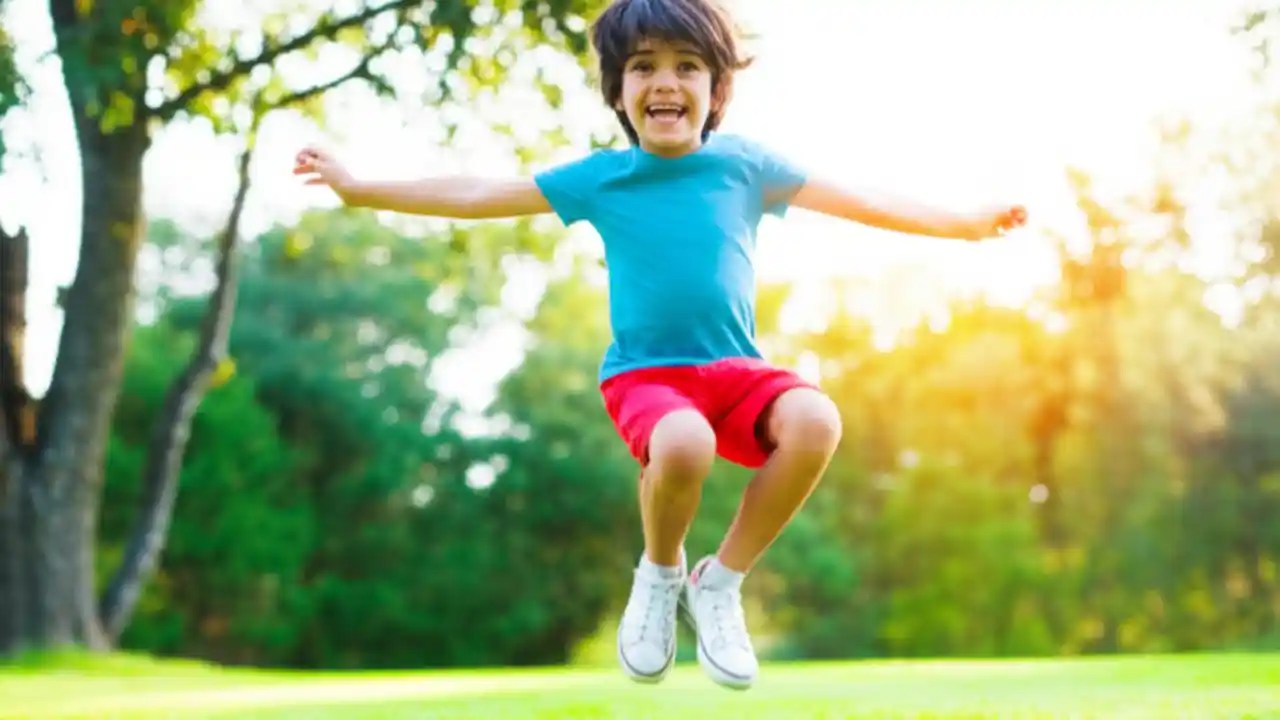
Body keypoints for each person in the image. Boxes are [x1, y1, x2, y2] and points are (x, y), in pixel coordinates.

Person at [293, 0, 1027, 691]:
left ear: (717, 88)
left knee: (816, 423)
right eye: (643, 66)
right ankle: (660, 574)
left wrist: (962, 222)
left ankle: (722, 583)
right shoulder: (604, 178)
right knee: (683, 444)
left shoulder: (746, 166)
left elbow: (866, 201)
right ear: (618, 91)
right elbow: (477, 193)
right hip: (648, 378)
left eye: (686, 66)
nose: (665, 82)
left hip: (738, 370)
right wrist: (361, 188)